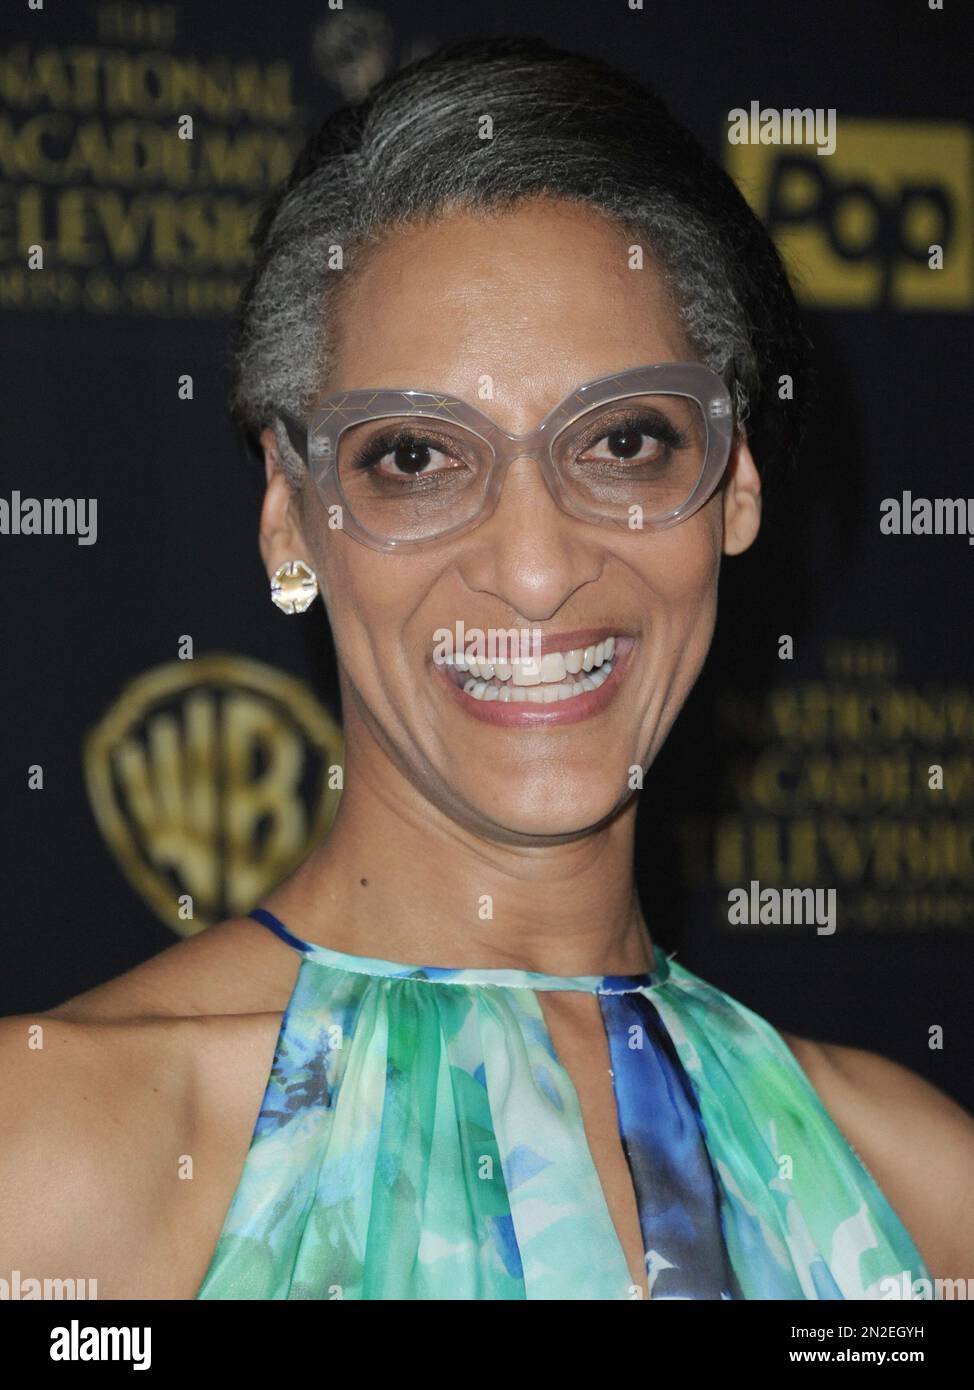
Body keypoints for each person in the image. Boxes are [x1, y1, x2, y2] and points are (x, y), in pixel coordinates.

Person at [3, 35, 972, 1301]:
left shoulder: (916, 1193)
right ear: (290, 517)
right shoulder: (53, 1156)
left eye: (623, 440)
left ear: (730, 483)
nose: (531, 568)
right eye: (414, 457)